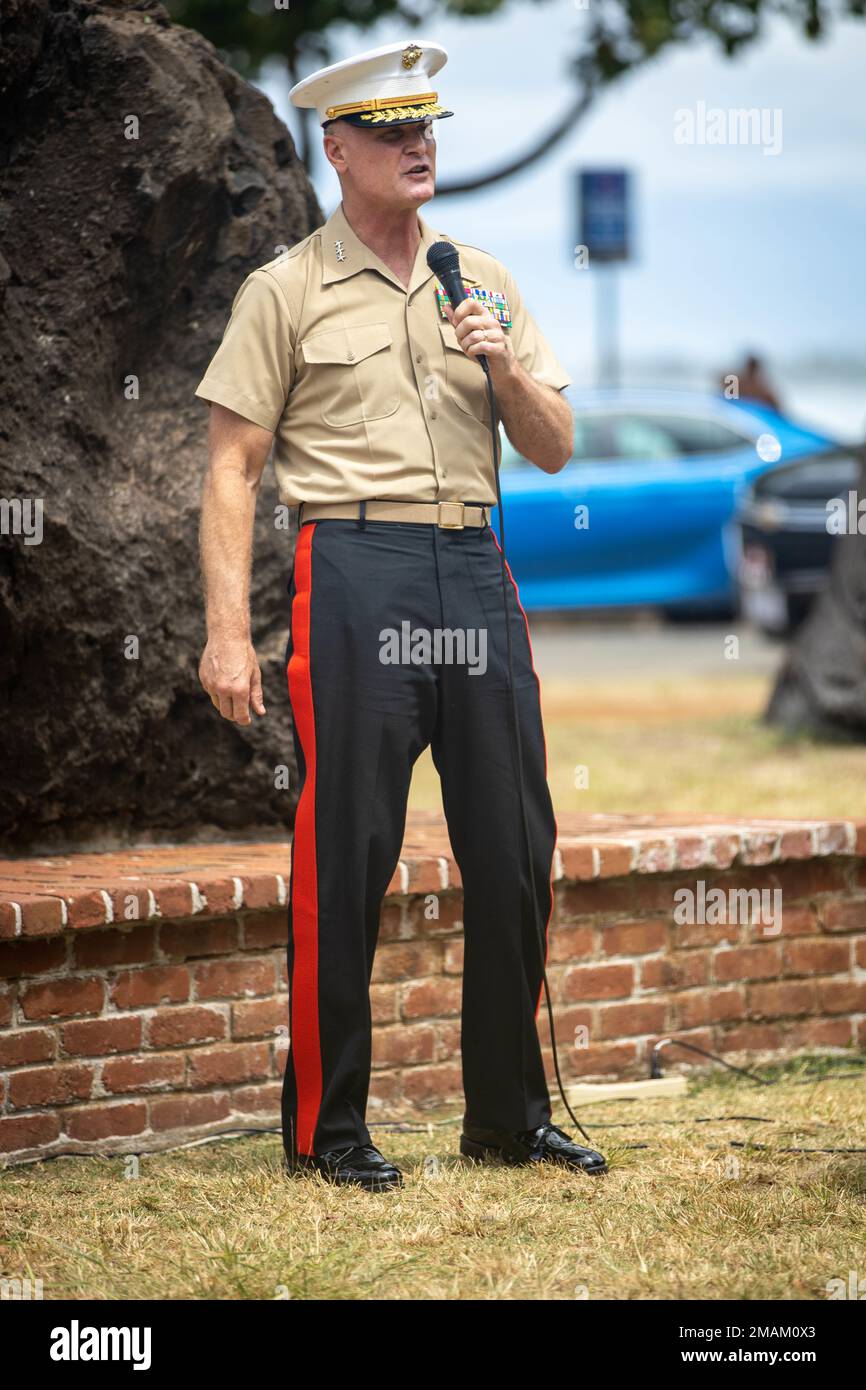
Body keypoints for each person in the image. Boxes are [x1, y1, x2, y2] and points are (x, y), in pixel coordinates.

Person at [194, 38, 607, 1191]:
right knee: (348, 854)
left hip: (475, 565)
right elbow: (230, 469)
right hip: (354, 565)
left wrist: (500, 366)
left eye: (429, 124)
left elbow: (555, 448)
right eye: (391, 128)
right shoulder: (285, 289)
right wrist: (228, 632)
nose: (419, 143)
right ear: (338, 149)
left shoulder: (479, 279)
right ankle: (328, 1131)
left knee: (515, 850)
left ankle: (507, 1118)